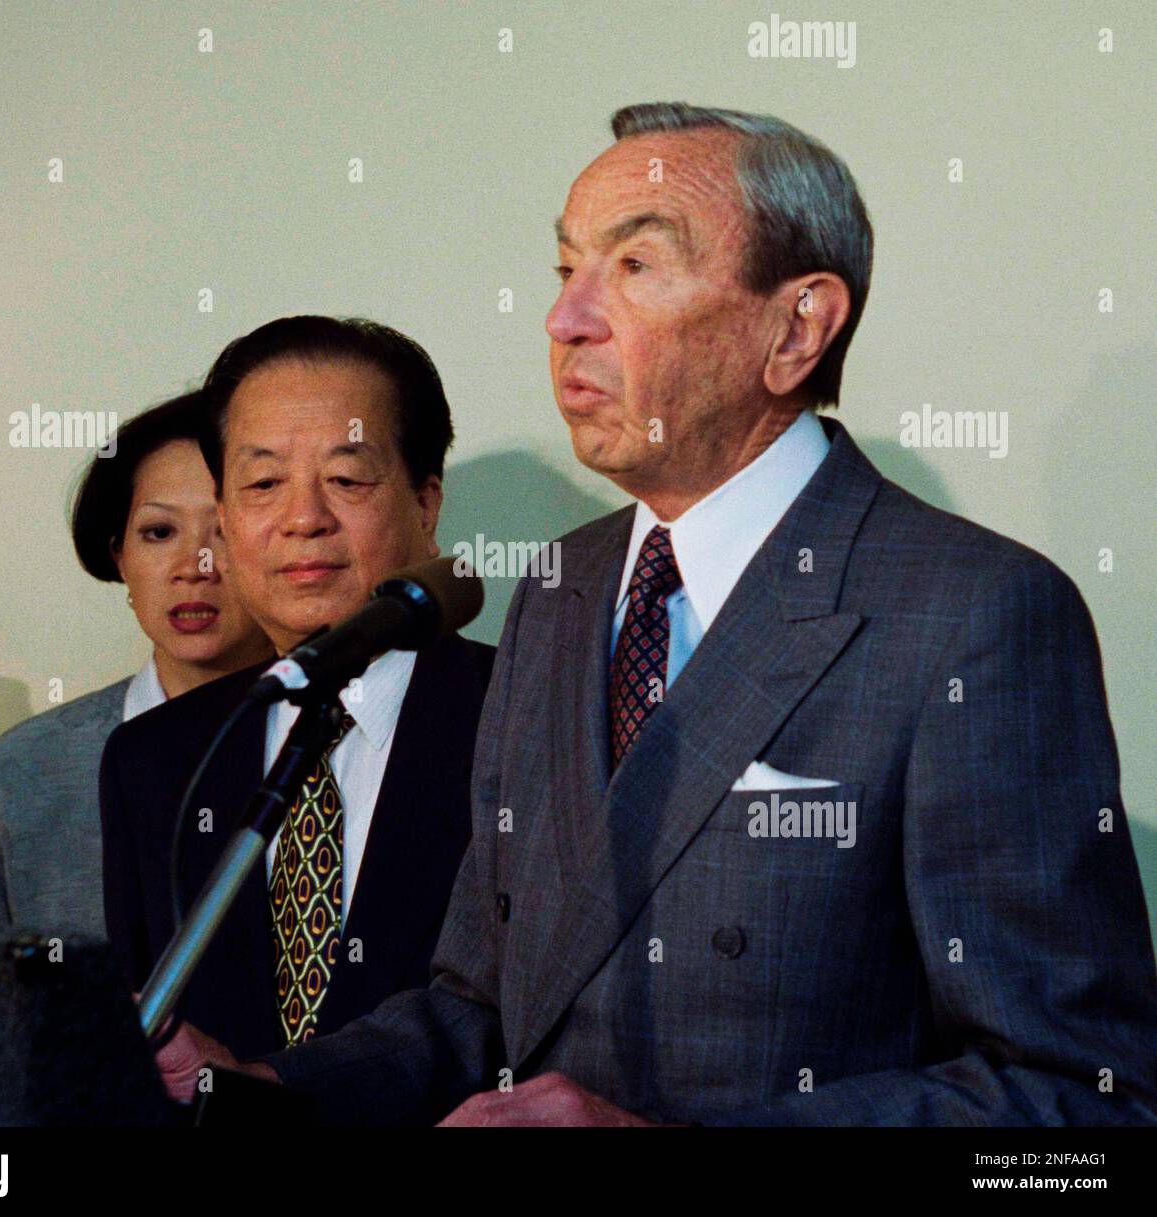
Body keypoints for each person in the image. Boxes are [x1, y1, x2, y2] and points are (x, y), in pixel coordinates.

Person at [152, 104, 1157, 1126]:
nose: (565, 321)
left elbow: (1080, 1095)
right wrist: (262, 1088)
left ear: (797, 325)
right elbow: (479, 1005)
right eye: (563, 272)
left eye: (633, 267)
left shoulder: (969, 613)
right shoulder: (558, 589)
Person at [99, 316, 495, 1060]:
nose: (303, 519)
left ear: (426, 503)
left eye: (346, 479)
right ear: (225, 517)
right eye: (263, 483)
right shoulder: (153, 759)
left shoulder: (525, 716)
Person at [0, 392, 273, 937]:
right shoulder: (28, 769)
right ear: (120, 557)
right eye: (159, 533)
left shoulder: (336, 743)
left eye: (222, 532)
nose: (193, 567)